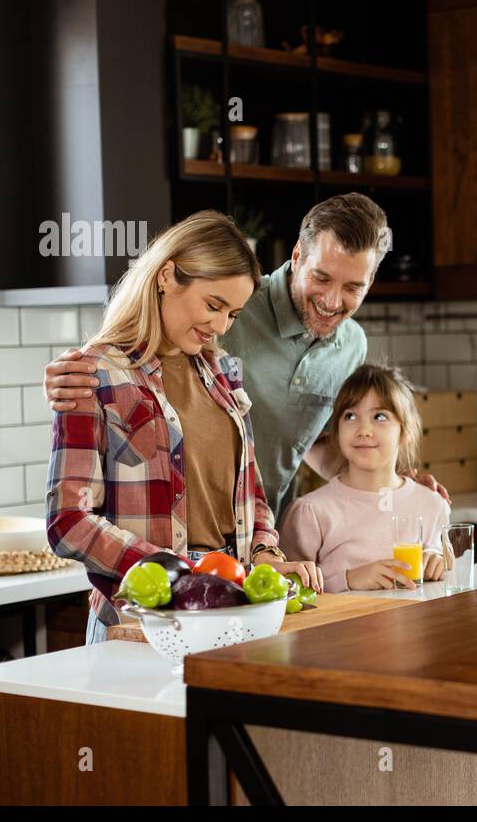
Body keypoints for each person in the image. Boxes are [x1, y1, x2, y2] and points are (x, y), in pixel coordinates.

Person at [42, 193, 448, 521]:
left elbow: (312, 444)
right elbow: (138, 360)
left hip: (262, 535)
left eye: (352, 287)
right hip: (177, 537)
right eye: (321, 278)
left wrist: (391, 483)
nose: (331, 301)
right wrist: (84, 373)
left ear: (371, 281)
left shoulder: (352, 345)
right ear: (297, 256)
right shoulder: (230, 310)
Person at [44, 211, 320, 644]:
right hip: (142, 621)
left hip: (231, 604)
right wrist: (178, 573)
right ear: (167, 276)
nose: (220, 326)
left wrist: (265, 552)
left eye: (233, 314)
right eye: (213, 305)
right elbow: (68, 521)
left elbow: (251, 492)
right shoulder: (92, 374)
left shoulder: (224, 374)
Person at [278, 363, 450, 592]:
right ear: (336, 431)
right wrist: (347, 580)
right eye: (350, 416)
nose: (364, 430)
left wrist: (438, 560)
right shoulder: (310, 512)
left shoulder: (432, 504)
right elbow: (289, 590)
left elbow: (448, 574)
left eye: (380, 416)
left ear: (406, 432)